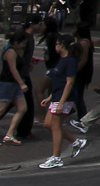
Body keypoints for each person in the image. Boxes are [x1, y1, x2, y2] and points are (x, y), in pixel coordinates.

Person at [37, 32, 88, 169]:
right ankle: (76, 142)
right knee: (48, 124)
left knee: (56, 126)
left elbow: (69, 83)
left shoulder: (70, 61)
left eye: (57, 44)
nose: (55, 46)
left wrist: (61, 102)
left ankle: (56, 158)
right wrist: (50, 97)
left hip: (64, 98)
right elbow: (59, 82)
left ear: (63, 45)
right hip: (57, 96)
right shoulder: (62, 60)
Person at [0, 27, 30, 146]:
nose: (24, 45)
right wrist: (22, 83)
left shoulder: (19, 51)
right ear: (16, 42)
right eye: (22, 43)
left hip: (14, 85)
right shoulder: (10, 52)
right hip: (7, 84)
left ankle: (9, 134)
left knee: (22, 108)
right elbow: (13, 69)